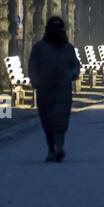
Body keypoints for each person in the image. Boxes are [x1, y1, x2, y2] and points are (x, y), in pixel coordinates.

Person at [27, 15, 81, 162]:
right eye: (53, 28)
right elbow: (33, 65)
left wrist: (73, 73)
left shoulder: (68, 49)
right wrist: (36, 80)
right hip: (45, 89)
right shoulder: (39, 48)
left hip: (63, 89)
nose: (55, 31)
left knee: (61, 119)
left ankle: (58, 147)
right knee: (47, 120)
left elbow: (75, 64)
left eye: (58, 28)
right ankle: (52, 147)